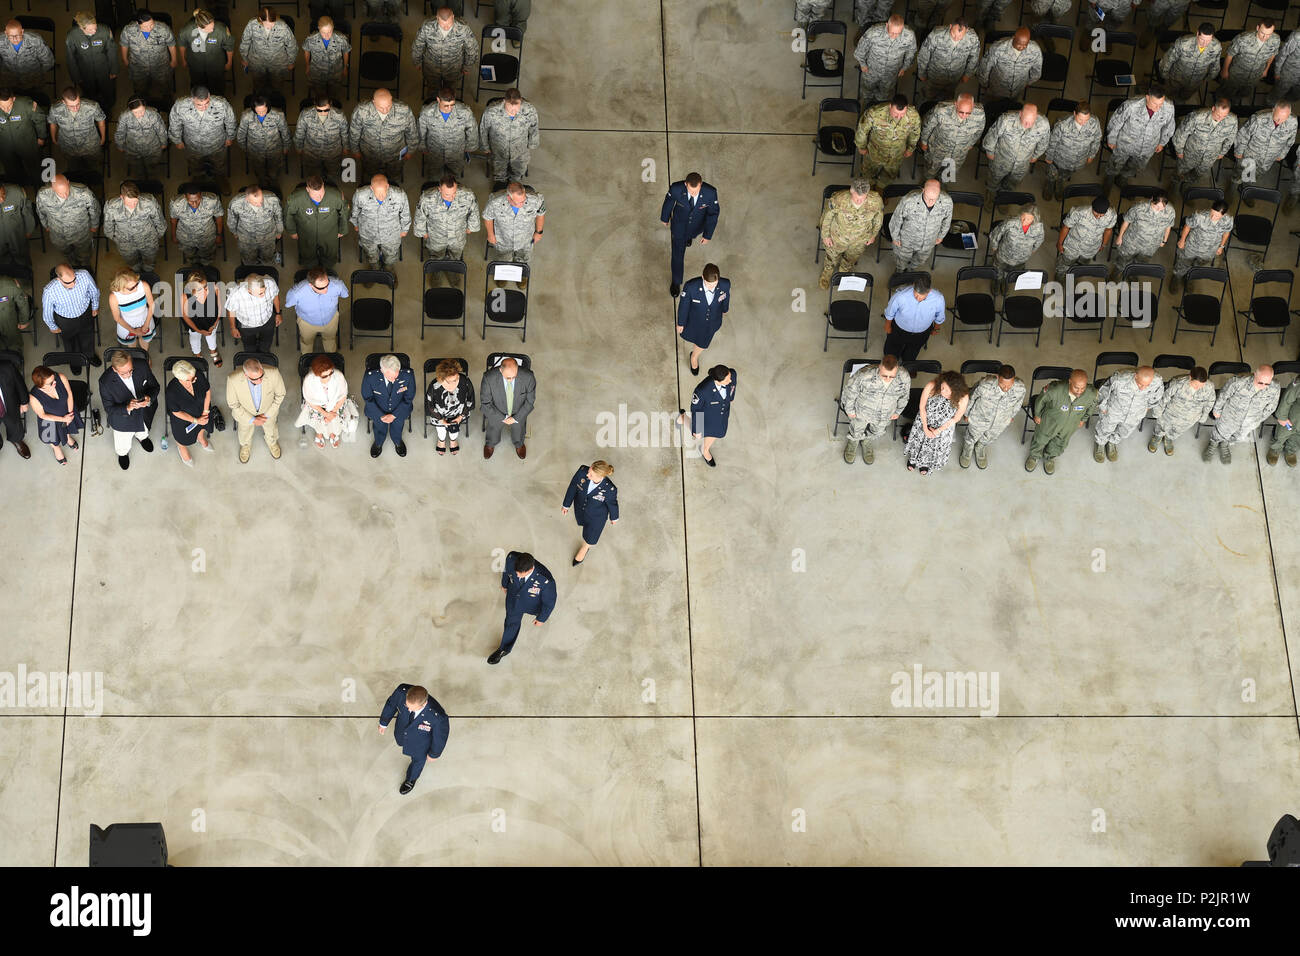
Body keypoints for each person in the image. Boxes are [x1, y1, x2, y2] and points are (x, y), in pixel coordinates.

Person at [377, 683, 449, 794]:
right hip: (402, 730)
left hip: (421, 742)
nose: (408, 709)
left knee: (418, 761)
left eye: (412, 708)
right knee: (400, 741)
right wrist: (383, 723)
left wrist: (434, 754)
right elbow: (391, 705)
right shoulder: (401, 692)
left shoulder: (437, 717)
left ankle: (411, 779)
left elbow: (440, 738)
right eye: (407, 706)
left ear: (424, 704)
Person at [1102, 87, 1176, 192]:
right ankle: (1109, 179)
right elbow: (1116, 122)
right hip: (1125, 142)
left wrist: (1162, 143)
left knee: (1135, 166)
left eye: (1161, 104)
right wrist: (1111, 139)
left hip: (1148, 146)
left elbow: (1169, 127)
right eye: (1155, 104)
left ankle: (1122, 179)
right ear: (1147, 97)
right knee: (1116, 162)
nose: (1158, 107)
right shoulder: (1131, 105)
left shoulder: (1169, 107)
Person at [488, 551, 556, 665]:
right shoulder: (511, 559)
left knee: (541, 609)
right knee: (510, 623)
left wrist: (541, 619)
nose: (517, 575)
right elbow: (507, 573)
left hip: (533, 604)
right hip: (513, 600)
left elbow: (549, 602)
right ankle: (504, 649)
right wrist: (505, 584)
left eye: (520, 574)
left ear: (530, 570)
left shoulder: (546, 580)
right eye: (516, 572)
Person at [839, 355, 910, 465]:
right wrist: (850, 410)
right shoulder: (864, 375)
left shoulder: (903, 376)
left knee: (877, 430)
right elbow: (850, 392)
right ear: (879, 367)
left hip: (885, 413)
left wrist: (898, 411)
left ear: (897, 369)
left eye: (892, 376)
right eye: (884, 375)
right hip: (862, 411)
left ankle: (866, 441)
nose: (887, 379)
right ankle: (853, 441)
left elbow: (904, 395)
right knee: (857, 428)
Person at [1025, 369, 1097, 475]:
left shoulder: (1091, 393)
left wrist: (1083, 419)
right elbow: (1041, 400)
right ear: (1070, 381)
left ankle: (1049, 457)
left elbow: (1092, 405)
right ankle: (1034, 456)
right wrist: (1037, 414)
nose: (1079, 391)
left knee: (1059, 442)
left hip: (1069, 425)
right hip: (1050, 421)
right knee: (1041, 438)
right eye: (1076, 387)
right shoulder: (1055, 389)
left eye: (1083, 388)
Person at [660, 172, 719, 297]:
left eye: (696, 191)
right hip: (679, 226)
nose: (694, 194)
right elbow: (669, 201)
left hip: (697, 226)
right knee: (677, 255)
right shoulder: (676, 188)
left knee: (691, 235)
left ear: (701, 185)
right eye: (691, 191)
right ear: (685, 184)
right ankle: (676, 281)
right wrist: (665, 217)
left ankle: (689, 238)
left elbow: (713, 214)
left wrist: (707, 235)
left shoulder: (710, 193)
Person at [98, 350, 159, 470]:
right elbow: (109, 408)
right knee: (122, 444)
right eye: (124, 373)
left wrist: (149, 398)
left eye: (131, 370)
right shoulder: (105, 382)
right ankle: (123, 454)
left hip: (143, 412)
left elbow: (155, 386)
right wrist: (127, 407)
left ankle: (142, 438)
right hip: (123, 419)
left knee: (144, 431)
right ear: (115, 370)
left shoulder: (142, 365)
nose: (129, 375)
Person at [1229, 103, 1297, 209]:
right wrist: (1239, 152)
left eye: (1283, 118)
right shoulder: (1259, 119)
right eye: (1277, 117)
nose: (1279, 121)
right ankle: (1231, 191)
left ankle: (1246, 191)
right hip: (1250, 155)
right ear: (1273, 110)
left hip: (1268, 159)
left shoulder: (1293, 122)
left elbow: (1290, 141)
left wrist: (1282, 154)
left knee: (1254, 177)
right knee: (1239, 174)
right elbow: (1242, 135)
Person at [1205, 366, 1279, 465]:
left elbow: (1271, 407)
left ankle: (1224, 444)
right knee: (1220, 432)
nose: (1263, 386)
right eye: (1260, 382)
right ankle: (1213, 444)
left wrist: (1258, 419)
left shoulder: (1275, 387)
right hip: (1230, 416)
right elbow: (1223, 396)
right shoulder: (1237, 382)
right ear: (1255, 374)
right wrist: (1217, 410)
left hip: (1249, 422)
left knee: (1236, 436)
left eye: (1267, 383)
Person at [818, 179, 882, 290]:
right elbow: (827, 216)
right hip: (838, 237)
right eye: (856, 197)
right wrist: (825, 235)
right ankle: (827, 272)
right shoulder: (839, 199)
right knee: (831, 256)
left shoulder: (876, 201)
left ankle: (844, 271)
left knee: (851, 258)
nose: (859, 201)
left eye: (863, 198)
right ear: (852, 190)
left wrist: (873, 235)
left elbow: (878, 219)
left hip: (860, 240)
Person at [413, 173, 480, 278]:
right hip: (436, 235)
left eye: (454, 193)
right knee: (436, 256)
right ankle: (436, 273)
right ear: (439, 189)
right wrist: (423, 233)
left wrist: (471, 227)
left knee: (456, 256)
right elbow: (420, 216)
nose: (451, 198)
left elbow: (474, 211)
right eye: (447, 195)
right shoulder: (427, 198)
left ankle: (453, 273)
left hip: (458, 234)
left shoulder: (468, 195)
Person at [1093, 366, 1164, 462]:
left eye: (1147, 385)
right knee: (1105, 428)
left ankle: (1112, 443)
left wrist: (1146, 408)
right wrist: (1103, 408)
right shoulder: (1120, 379)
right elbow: (1104, 391)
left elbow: (1157, 397)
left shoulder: (1157, 381)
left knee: (1123, 432)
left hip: (1135, 415)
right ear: (1135, 376)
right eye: (1140, 384)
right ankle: (1100, 444)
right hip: (1114, 411)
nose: (1143, 388)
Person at [903, 371, 968, 475]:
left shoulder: (963, 397)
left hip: (944, 427)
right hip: (924, 420)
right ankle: (913, 459)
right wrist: (925, 427)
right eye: (942, 388)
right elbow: (922, 407)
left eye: (948, 391)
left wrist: (938, 431)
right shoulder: (931, 386)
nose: (943, 392)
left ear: (956, 391)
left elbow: (956, 418)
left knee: (934, 446)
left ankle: (925, 463)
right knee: (918, 441)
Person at [961, 365, 1025, 469]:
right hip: (980, 418)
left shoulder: (1020, 388)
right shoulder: (985, 385)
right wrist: (967, 414)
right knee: (971, 436)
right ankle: (967, 450)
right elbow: (972, 397)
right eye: (1002, 384)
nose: (1006, 388)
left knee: (989, 437)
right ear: (997, 377)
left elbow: (1018, 403)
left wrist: (1011, 416)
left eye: (1010, 385)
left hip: (1000, 422)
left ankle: (980, 448)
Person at [349, 88, 418, 183]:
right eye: (381, 108)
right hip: (370, 154)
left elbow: (412, 133)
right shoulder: (362, 111)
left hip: (395, 154)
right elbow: (354, 132)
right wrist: (355, 150)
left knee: (393, 177)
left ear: (391, 100)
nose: (385, 111)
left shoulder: (404, 111)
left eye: (388, 106)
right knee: (371, 176)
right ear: (373, 102)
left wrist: (411, 151)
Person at [169, 85, 238, 180]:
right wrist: (177, 140)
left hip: (217, 144)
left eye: (207, 103)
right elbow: (174, 123)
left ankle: (220, 178)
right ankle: (198, 178)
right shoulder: (181, 105)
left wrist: (230, 137)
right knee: (194, 164)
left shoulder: (221, 104)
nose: (204, 107)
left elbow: (231, 121)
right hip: (193, 144)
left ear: (209, 97)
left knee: (219, 163)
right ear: (192, 99)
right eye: (199, 105)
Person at [1171, 99, 1237, 196]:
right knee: (1180, 170)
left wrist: (1222, 153)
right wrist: (1179, 150)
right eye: (1218, 114)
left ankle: (1186, 186)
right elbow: (1181, 133)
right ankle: (1174, 188)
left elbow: (1230, 139)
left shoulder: (1232, 120)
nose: (1220, 119)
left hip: (1210, 156)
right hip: (1190, 152)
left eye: (1224, 116)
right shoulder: (1198, 116)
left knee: (1199, 173)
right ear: (1213, 108)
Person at [855, 95, 921, 192]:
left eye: (902, 114)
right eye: (895, 114)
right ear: (890, 106)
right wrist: (861, 146)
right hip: (875, 150)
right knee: (868, 170)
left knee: (891, 172)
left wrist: (910, 148)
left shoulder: (913, 115)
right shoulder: (875, 113)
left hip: (897, 152)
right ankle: (869, 188)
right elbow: (862, 131)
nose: (898, 117)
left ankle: (880, 187)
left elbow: (915, 132)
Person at [41, 264, 100, 372]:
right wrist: (52, 326)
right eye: (68, 282)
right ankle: (74, 361)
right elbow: (47, 312)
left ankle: (89, 355)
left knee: (88, 335)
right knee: (69, 342)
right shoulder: (49, 291)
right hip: (65, 320)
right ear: (58, 279)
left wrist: (95, 306)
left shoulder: (84, 275)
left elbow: (94, 291)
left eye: (74, 279)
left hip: (85, 313)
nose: (74, 284)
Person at [482, 182, 545, 282]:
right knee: (503, 259)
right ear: (509, 198)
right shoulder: (495, 201)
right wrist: (490, 234)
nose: (521, 204)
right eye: (518, 203)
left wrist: (539, 232)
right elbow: (487, 217)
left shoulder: (535, 199)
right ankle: (502, 277)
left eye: (523, 200)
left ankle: (522, 276)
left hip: (526, 239)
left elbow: (540, 214)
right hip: (503, 239)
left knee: (524, 259)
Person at [982, 104, 1050, 196]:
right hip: (1001, 160)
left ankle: (1004, 198)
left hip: (1022, 164)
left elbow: (1044, 142)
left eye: (1031, 122)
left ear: (1036, 117)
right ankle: (990, 195)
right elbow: (992, 135)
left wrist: (1036, 155)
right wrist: (989, 151)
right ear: (1020, 114)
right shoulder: (1006, 120)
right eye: (1026, 121)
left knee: (1012, 184)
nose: (1027, 125)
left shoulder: (1043, 124)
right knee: (993, 179)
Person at [227, 356, 285, 463]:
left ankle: (272, 442)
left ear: (261, 368)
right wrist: (252, 419)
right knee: (244, 431)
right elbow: (233, 404)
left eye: (261, 376)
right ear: (246, 375)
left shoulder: (274, 373)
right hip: (245, 414)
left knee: (271, 428)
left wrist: (267, 415)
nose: (260, 380)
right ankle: (245, 446)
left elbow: (280, 395)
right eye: (255, 379)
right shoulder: (232, 379)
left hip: (268, 411)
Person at [479, 88, 540, 191]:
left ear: (520, 101)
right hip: (498, 150)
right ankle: (500, 183)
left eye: (516, 109)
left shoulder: (530, 111)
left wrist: (532, 144)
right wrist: (485, 146)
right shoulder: (492, 111)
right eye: (510, 108)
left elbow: (534, 128)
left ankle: (515, 182)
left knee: (518, 170)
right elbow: (483, 129)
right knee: (499, 170)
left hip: (519, 150)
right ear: (504, 101)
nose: (513, 112)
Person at [677, 364, 737, 467]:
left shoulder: (732, 374)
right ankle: (683, 418)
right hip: (707, 416)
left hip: (722, 414)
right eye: (727, 380)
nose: (730, 381)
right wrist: (697, 429)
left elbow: (732, 387)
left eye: (729, 378)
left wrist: (730, 398)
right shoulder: (702, 390)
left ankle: (705, 449)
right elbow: (696, 409)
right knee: (699, 433)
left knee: (718, 432)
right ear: (717, 380)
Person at [36, 175, 100, 270]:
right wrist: (45, 225)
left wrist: (95, 225)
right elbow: (40, 211)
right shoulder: (43, 195)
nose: (65, 196)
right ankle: (73, 264)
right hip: (58, 234)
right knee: (66, 252)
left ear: (68, 183)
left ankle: (84, 266)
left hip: (81, 232)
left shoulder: (84, 192)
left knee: (84, 252)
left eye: (66, 191)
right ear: (53, 188)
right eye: (61, 193)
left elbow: (94, 209)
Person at [676, 263, 730, 375]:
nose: (712, 288)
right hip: (695, 321)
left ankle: (694, 357)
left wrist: (725, 308)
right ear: (702, 277)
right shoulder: (691, 287)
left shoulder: (725, 284)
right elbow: (684, 306)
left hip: (712, 322)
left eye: (715, 285)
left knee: (703, 342)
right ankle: (694, 356)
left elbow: (726, 297)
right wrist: (680, 323)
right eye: (708, 284)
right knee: (699, 339)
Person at [412, 6, 478, 96]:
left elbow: (472, 49)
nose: (446, 27)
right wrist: (417, 62)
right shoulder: (427, 26)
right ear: (437, 18)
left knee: (450, 93)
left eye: (449, 24)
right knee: (432, 91)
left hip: (454, 68)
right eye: (443, 24)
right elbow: (417, 45)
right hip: (431, 67)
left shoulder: (463, 29)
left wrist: (467, 66)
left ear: (453, 17)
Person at [285, 176, 348, 269]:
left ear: (323, 185)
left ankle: (327, 271)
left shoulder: (335, 195)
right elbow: (288, 215)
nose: (319, 198)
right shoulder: (295, 198)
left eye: (321, 194)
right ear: (307, 189)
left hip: (329, 233)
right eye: (315, 195)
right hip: (306, 233)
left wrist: (342, 230)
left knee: (330, 255)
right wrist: (292, 231)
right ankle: (311, 271)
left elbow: (344, 212)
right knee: (307, 254)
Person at [853, 15, 918, 106]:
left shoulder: (909, 35)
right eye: (892, 32)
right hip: (871, 69)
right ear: (887, 25)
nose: (894, 36)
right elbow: (860, 51)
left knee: (884, 92)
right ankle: (867, 104)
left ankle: (879, 104)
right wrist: (863, 64)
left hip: (892, 72)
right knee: (867, 90)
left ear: (903, 28)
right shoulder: (873, 32)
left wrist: (904, 67)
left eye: (898, 33)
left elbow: (911, 53)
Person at [889, 180, 952, 274]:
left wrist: (941, 236)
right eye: (928, 198)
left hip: (929, 240)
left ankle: (911, 270)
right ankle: (899, 271)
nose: (931, 202)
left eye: (934, 199)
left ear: (939, 193)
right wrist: (895, 237)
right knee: (901, 258)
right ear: (923, 190)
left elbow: (947, 220)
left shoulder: (947, 201)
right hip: (906, 239)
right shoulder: (909, 200)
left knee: (920, 259)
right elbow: (896, 219)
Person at [103, 181, 166, 273]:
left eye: (135, 202)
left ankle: (148, 272)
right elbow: (108, 229)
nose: (133, 206)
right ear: (122, 197)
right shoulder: (111, 207)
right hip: (125, 244)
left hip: (148, 241)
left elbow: (160, 223)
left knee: (150, 261)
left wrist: (155, 237)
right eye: (129, 202)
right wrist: (118, 240)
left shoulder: (149, 202)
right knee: (132, 263)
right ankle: (136, 272)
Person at [350, 173, 410, 270]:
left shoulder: (399, 195)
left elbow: (405, 214)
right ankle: (375, 269)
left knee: (390, 256)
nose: (381, 197)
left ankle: (389, 269)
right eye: (378, 193)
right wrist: (356, 225)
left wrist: (405, 230)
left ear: (387, 186)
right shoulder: (360, 194)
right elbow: (355, 213)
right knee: (371, 255)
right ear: (371, 188)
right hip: (368, 233)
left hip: (391, 234)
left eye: (383, 192)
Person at [562, 461, 618, 565]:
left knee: (590, 538)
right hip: (581, 508)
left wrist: (614, 517)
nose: (587, 475)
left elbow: (612, 503)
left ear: (600, 477)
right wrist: (566, 505)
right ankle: (586, 543)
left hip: (597, 516)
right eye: (589, 471)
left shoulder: (610, 489)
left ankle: (584, 548)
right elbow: (573, 487)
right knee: (582, 524)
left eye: (591, 474)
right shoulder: (582, 471)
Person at [1149, 366, 1214, 455]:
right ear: (1190, 377)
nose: (1198, 387)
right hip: (1170, 413)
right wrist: (1158, 411)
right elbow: (1165, 397)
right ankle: (1157, 436)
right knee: (1161, 426)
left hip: (1190, 418)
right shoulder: (1177, 383)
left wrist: (1204, 415)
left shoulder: (1209, 386)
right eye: (1196, 385)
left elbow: (1210, 402)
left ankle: (1169, 438)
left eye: (1201, 385)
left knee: (1177, 431)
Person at [1043, 103, 1101, 201]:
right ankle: (1049, 186)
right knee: (1051, 175)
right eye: (1080, 119)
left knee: (1064, 176)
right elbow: (1052, 141)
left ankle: (1059, 186)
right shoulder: (1062, 124)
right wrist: (1049, 156)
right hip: (1058, 158)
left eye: (1086, 120)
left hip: (1077, 161)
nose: (1083, 123)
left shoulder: (1094, 123)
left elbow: (1097, 139)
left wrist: (1092, 155)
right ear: (1074, 114)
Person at [1170, 199, 1231, 293]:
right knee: (1183, 263)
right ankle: (1177, 278)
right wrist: (1182, 240)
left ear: (1223, 215)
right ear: (1211, 209)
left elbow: (1226, 233)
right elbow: (1187, 226)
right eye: (1212, 213)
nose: (1213, 217)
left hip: (1209, 251)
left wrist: (1221, 246)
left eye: (1217, 216)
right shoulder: (1199, 216)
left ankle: (1190, 278)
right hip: (1192, 246)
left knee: (1198, 266)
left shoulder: (1227, 220)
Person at [919, 94, 984, 181]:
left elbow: (979, 131)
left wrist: (971, 143)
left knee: (949, 173)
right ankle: (928, 184)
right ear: (956, 104)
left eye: (968, 113)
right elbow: (928, 126)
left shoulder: (979, 115)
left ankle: (942, 184)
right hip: (938, 148)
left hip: (959, 152)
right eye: (961, 112)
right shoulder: (941, 110)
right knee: (931, 169)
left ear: (973, 107)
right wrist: (923, 141)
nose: (964, 116)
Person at [418, 86, 478, 181]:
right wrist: (422, 146)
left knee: (455, 177)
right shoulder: (427, 112)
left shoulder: (465, 112)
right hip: (435, 151)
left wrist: (470, 147)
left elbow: (472, 130)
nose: (449, 108)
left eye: (452, 105)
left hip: (456, 151)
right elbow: (421, 131)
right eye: (446, 105)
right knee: (434, 177)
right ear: (438, 100)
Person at [480, 356, 535, 460]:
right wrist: (502, 417)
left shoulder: (528, 377)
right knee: (493, 427)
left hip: (518, 411)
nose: (510, 380)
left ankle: (519, 443)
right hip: (497, 410)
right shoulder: (489, 378)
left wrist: (515, 418)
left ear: (517, 369)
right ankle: (491, 443)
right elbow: (486, 403)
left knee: (519, 428)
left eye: (514, 377)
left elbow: (530, 401)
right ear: (501, 370)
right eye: (508, 378)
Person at [362, 353, 415, 458]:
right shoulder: (371, 377)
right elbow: (367, 397)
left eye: (396, 375)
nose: (394, 379)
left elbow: (409, 397)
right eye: (390, 376)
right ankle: (378, 443)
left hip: (399, 408)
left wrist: (394, 415)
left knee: (398, 425)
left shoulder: (408, 375)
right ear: (382, 371)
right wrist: (380, 415)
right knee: (379, 426)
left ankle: (397, 441)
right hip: (378, 409)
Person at [883, 272, 945, 362]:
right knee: (892, 349)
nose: (918, 299)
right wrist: (887, 326)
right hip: (899, 329)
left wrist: (936, 329)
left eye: (923, 297)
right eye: (916, 295)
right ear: (913, 286)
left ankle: (909, 365)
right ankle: (890, 363)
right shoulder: (901, 296)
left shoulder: (938, 298)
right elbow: (890, 312)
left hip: (922, 333)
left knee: (913, 351)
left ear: (929, 290)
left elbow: (939, 316)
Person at [916, 19, 980, 102]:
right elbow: (924, 55)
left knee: (947, 99)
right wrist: (921, 73)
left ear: (967, 30)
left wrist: (967, 75)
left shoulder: (972, 38)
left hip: (955, 77)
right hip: (934, 75)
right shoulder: (937, 34)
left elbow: (974, 57)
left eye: (960, 36)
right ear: (950, 26)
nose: (956, 38)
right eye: (953, 34)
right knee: (927, 96)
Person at [65, 12, 118, 113]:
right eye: (90, 29)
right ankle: (93, 112)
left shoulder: (105, 30)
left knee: (108, 91)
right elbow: (70, 58)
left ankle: (108, 110)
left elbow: (112, 51)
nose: (94, 31)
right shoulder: (72, 36)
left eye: (95, 27)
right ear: (81, 28)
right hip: (85, 71)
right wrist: (76, 77)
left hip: (104, 69)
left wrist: (114, 70)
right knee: (89, 93)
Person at [1113, 192, 1175, 278]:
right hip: (1132, 242)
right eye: (1156, 206)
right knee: (1123, 259)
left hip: (1151, 246)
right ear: (1152, 200)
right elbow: (1126, 221)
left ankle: (1132, 275)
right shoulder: (1139, 208)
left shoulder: (1170, 211)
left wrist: (1165, 240)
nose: (1159, 210)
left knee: (1141, 262)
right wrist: (1120, 237)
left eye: (1162, 207)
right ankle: (1117, 273)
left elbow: (1168, 226)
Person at [28, 365, 81, 464]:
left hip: (67, 411)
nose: (55, 382)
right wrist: (63, 419)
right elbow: (42, 415)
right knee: (53, 440)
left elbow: (69, 394)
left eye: (53, 379)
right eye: (50, 383)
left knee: (67, 428)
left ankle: (68, 438)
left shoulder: (60, 377)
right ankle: (57, 449)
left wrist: (69, 414)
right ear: (41, 386)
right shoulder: (33, 397)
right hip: (50, 420)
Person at [165, 359, 214, 466]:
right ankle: (181, 448)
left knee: (202, 427)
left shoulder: (197, 376)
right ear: (179, 379)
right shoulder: (172, 391)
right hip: (184, 419)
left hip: (203, 411)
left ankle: (201, 438)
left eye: (194, 377)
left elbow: (207, 392)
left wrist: (205, 412)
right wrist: (196, 420)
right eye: (189, 379)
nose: (194, 380)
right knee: (182, 439)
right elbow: (176, 412)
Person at [286, 268, 347, 353]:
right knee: (307, 342)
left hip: (331, 319)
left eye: (327, 284)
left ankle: (331, 357)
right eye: (321, 288)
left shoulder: (337, 285)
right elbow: (289, 303)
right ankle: (306, 358)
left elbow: (345, 294)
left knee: (330, 339)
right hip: (307, 322)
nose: (326, 290)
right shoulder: (297, 293)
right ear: (311, 285)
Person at [296, 353, 350, 449]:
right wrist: (325, 414)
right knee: (319, 419)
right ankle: (319, 433)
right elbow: (309, 401)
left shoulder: (338, 375)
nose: (329, 377)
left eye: (330, 373)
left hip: (336, 404)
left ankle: (333, 432)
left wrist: (332, 412)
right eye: (325, 376)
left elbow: (343, 395)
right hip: (317, 407)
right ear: (316, 374)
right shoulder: (309, 380)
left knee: (336, 418)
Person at [47, 87, 107, 173]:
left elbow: (101, 120)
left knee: (94, 165)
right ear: (63, 102)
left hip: (90, 143)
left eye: (78, 104)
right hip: (68, 144)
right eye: (71, 106)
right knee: (73, 166)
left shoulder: (92, 106)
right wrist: (53, 138)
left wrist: (103, 137)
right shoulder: (55, 109)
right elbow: (52, 123)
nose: (76, 108)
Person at [1055, 196, 1115, 280]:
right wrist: (1060, 243)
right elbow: (1066, 227)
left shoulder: (1111, 215)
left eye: (1101, 215)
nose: (1098, 216)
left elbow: (1108, 230)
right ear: (1092, 207)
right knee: (1065, 263)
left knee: (1083, 264)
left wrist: (1104, 244)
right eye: (1096, 213)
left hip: (1091, 247)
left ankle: (1076, 275)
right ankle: (1059, 277)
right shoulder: (1079, 211)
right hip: (1072, 245)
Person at [119, 11, 176, 99]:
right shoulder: (128, 30)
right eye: (145, 26)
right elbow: (124, 44)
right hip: (138, 65)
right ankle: (142, 99)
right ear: (138, 23)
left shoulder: (163, 28)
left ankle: (167, 98)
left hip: (160, 64)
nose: (149, 28)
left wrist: (174, 59)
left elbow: (171, 44)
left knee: (165, 84)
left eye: (151, 25)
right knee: (139, 87)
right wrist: (124, 59)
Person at [1218, 19, 1279, 101]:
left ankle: (1233, 105)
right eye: (1262, 33)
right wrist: (1225, 70)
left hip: (1255, 75)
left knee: (1243, 94)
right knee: (1225, 93)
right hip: (1236, 74)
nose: (1265, 37)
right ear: (1257, 28)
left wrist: (1266, 70)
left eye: (1269, 34)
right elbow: (1230, 54)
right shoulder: (1243, 38)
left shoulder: (1276, 40)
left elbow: (1273, 54)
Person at [424, 357, 474, 456]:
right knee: (441, 430)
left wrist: (460, 417)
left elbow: (470, 399)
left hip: (459, 413)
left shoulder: (465, 381)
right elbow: (430, 404)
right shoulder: (434, 385)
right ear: (441, 379)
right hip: (438, 414)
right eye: (449, 381)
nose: (453, 384)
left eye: (456, 379)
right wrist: (441, 419)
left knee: (454, 430)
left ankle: (453, 439)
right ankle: (441, 440)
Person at [235, 95, 292, 183]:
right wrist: (244, 148)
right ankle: (262, 184)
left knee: (273, 172)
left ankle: (273, 183)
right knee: (259, 171)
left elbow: (285, 132)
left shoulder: (278, 115)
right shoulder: (247, 116)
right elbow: (241, 134)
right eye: (258, 111)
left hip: (274, 149)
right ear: (254, 109)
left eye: (264, 111)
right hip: (255, 150)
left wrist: (286, 147)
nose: (261, 113)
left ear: (268, 107)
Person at [988, 206, 1044, 294]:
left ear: (1034, 219)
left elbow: (1040, 239)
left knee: (1013, 271)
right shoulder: (1011, 223)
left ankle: (1006, 281)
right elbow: (996, 233)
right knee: (998, 268)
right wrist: (994, 246)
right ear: (1020, 214)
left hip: (1021, 258)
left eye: (1029, 219)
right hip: (1004, 254)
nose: (1025, 221)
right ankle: (997, 281)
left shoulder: (1038, 228)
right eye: (1023, 217)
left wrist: (1033, 250)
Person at [178, 9, 234, 97]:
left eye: (213, 26)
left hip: (216, 65)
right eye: (209, 29)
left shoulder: (221, 30)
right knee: (198, 87)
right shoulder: (187, 30)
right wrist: (183, 59)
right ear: (199, 27)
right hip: (196, 64)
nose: (212, 30)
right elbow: (182, 44)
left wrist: (229, 62)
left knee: (217, 88)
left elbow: (229, 46)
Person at [238, 7, 297, 89]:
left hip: (278, 64)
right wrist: (244, 58)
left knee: (277, 86)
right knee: (258, 85)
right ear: (260, 19)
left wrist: (291, 61)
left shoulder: (283, 26)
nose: (270, 26)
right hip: (257, 62)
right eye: (267, 23)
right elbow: (245, 42)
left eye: (273, 23)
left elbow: (292, 45)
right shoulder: (252, 25)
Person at [1159, 24, 1221, 102]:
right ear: (1197, 33)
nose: (1204, 43)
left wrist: (1208, 78)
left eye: (1208, 40)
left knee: (1184, 97)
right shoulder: (1183, 43)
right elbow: (1168, 59)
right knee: (1168, 96)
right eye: (1202, 39)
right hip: (1176, 77)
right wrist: (1164, 74)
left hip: (1196, 81)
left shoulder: (1216, 46)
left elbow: (1215, 65)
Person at [295, 95, 349, 182]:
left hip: (333, 152)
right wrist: (298, 147)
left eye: (326, 110)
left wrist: (346, 147)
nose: (323, 113)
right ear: (314, 104)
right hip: (312, 152)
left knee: (333, 174)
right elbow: (299, 133)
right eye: (319, 110)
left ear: (330, 104)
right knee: (314, 176)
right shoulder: (305, 114)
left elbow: (344, 133)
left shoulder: (339, 115)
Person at [227, 184, 284, 265]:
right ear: (247, 199)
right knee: (248, 259)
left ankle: (267, 265)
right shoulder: (236, 203)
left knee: (267, 257)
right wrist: (234, 232)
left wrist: (279, 231)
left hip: (268, 236)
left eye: (261, 201)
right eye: (255, 202)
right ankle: (251, 266)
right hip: (246, 238)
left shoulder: (272, 200)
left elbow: (279, 217)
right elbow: (232, 220)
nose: (260, 204)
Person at [978, 28, 1041, 100]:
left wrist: (1028, 82)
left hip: (1018, 89)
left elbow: (1037, 70)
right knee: (992, 105)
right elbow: (985, 67)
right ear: (1013, 38)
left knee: (1012, 107)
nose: (1022, 47)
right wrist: (984, 84)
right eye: (1019, 44)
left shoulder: (1035, 50)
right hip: (997, 88)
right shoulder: (998, 48)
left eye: (1025, 45)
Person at [169, 184, 225, 265]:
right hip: (185, 235)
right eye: (191, 201)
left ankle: (206, 265)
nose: (195, 204)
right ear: (185, 197)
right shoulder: (176, 204)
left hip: (207, 235)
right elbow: (173, 220)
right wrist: (173, 235)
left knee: (207, 255)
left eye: (198, 200)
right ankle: (193, 265)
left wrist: (219, 235)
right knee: (189, 255)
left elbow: (219, 217)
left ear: (201, 195)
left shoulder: (212, 200)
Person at [114, 98, 169, 180]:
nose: (139, 114)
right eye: (135, 112)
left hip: (152, 148)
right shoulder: (124, 116)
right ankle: (140, 181)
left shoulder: (153, 115)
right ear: (130, 110)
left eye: (141, 111)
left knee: (152, 168)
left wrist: (164, 143)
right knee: (137, 169)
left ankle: (151, 180)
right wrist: (120, 145)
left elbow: (161, 131)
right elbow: (120, 133)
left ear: (145, 107)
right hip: (132, 149)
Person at [226, 272, 281, 354]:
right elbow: (231, 311)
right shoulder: (235, 294)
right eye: (260, 293)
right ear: (249, 291)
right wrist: (233, 328)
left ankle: (264, 353)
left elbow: (275, 297)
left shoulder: (270, 283)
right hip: (247, 324)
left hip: (267, 320)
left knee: (266, 344)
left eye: (264, 291)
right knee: (249, 347)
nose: (264, 294)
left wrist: (278, 313)